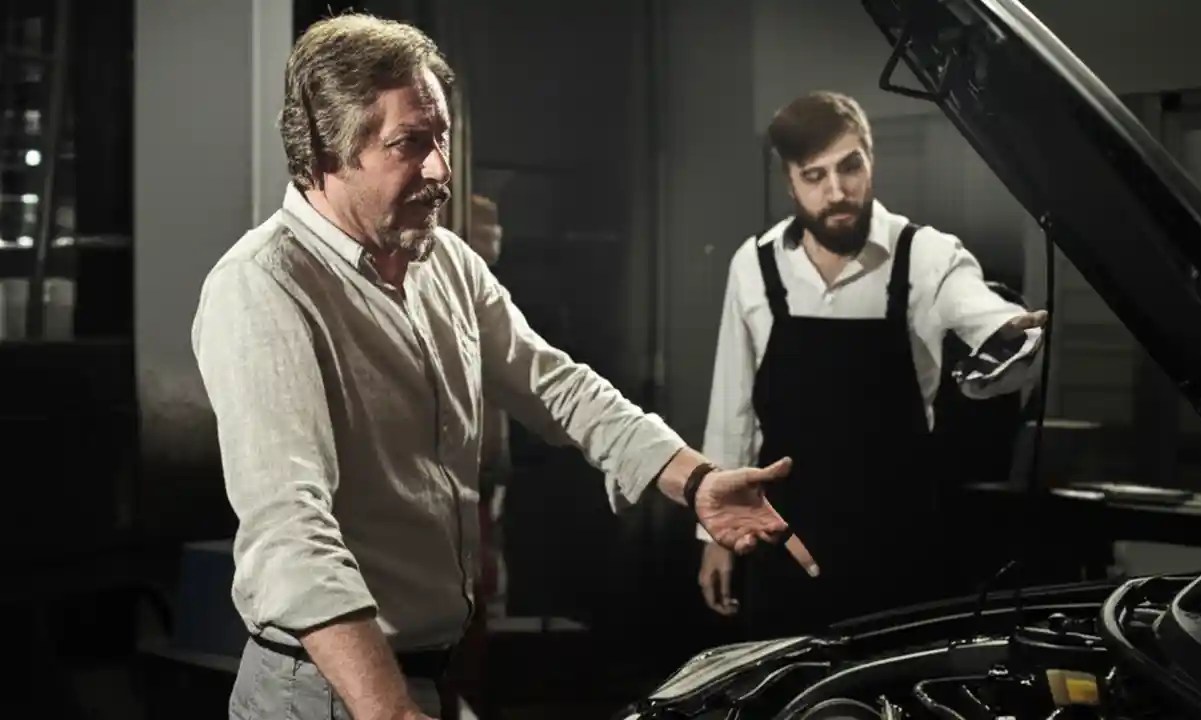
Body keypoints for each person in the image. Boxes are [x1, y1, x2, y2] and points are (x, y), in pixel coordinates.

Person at [191, 14, 816, 720]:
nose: (440, 170)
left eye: (442, 138)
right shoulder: (264, 287)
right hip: (332, 694)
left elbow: (556, 385)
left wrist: (694, 479)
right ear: (326, 154)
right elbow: (290, 532)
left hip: (429, 677)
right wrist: (387, 709)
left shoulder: (445, 262)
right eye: (410, 144)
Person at [695, 91, 1048, 639]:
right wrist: (715, 538)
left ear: (870, 158)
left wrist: (1004, 332)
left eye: (849, 166)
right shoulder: (754, 265)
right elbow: (732, 410)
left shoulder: (924, 255)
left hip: (900, 550)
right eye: (814, 176)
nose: (836, 192)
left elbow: (979, 310)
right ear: (789, 182)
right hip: (785, 542)